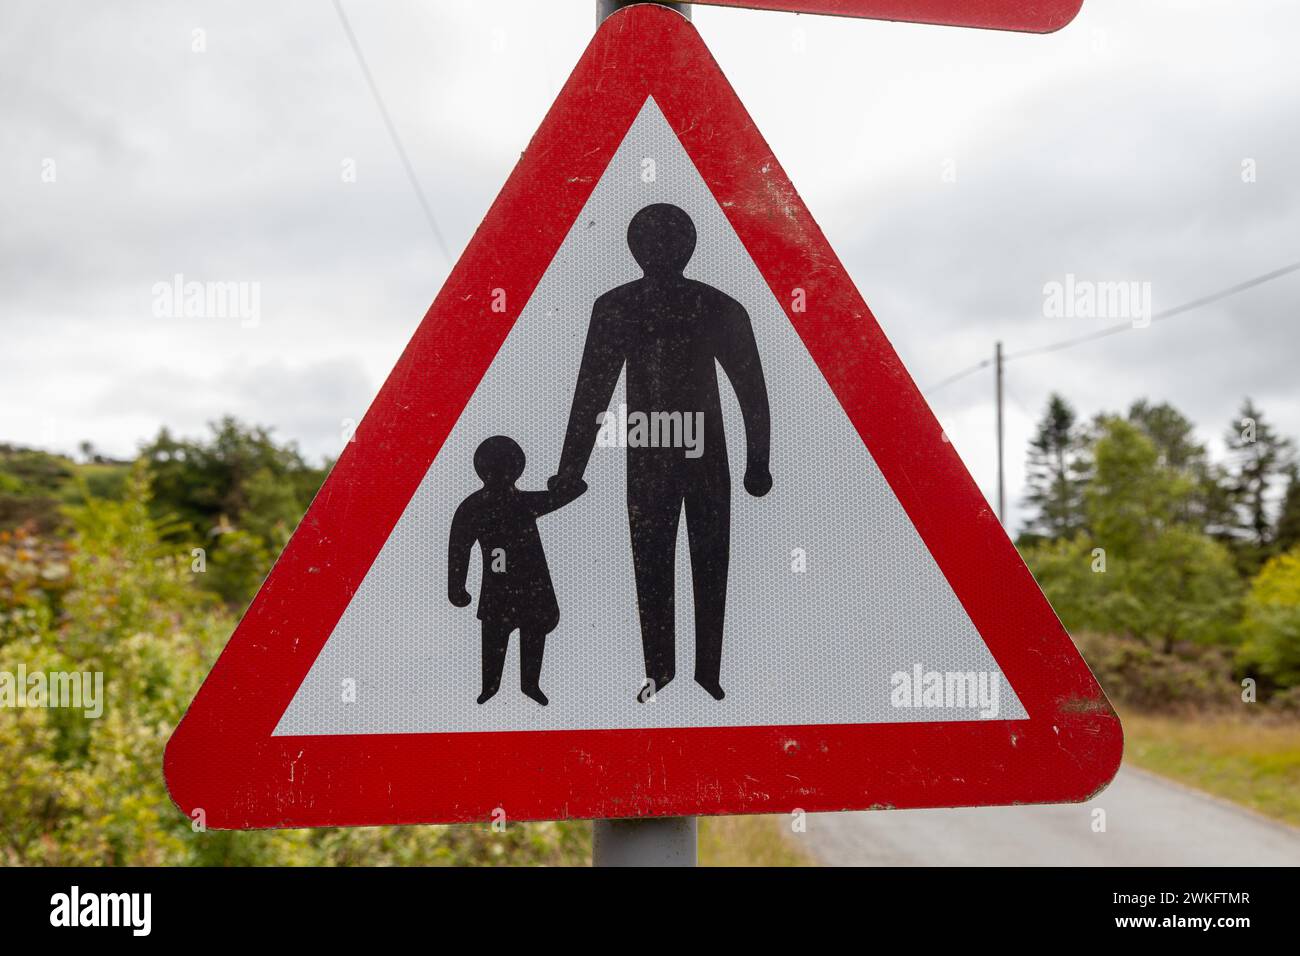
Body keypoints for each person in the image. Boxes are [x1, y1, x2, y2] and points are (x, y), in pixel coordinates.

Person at [550, 203, 771, 702]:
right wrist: (569, 471)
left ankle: (704, 672)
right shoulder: (618, 307)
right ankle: (663, 671)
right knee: (655, 562)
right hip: (652, 454)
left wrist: (759, 461)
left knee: (703, 559)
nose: (659, 251)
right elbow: (593, 391)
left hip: (689, 455)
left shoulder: (717, 307)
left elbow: (750, 389)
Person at [449, 435, 586, 706]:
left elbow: (459, 548)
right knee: (496, 636)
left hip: (522, 586)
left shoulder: (497, 503)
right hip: (505, 587)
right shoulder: (478, 506)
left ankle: (527, 685)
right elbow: (459, 548)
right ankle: (492, 687)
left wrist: (457, 588)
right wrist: (456, 587)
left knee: (524, 633)